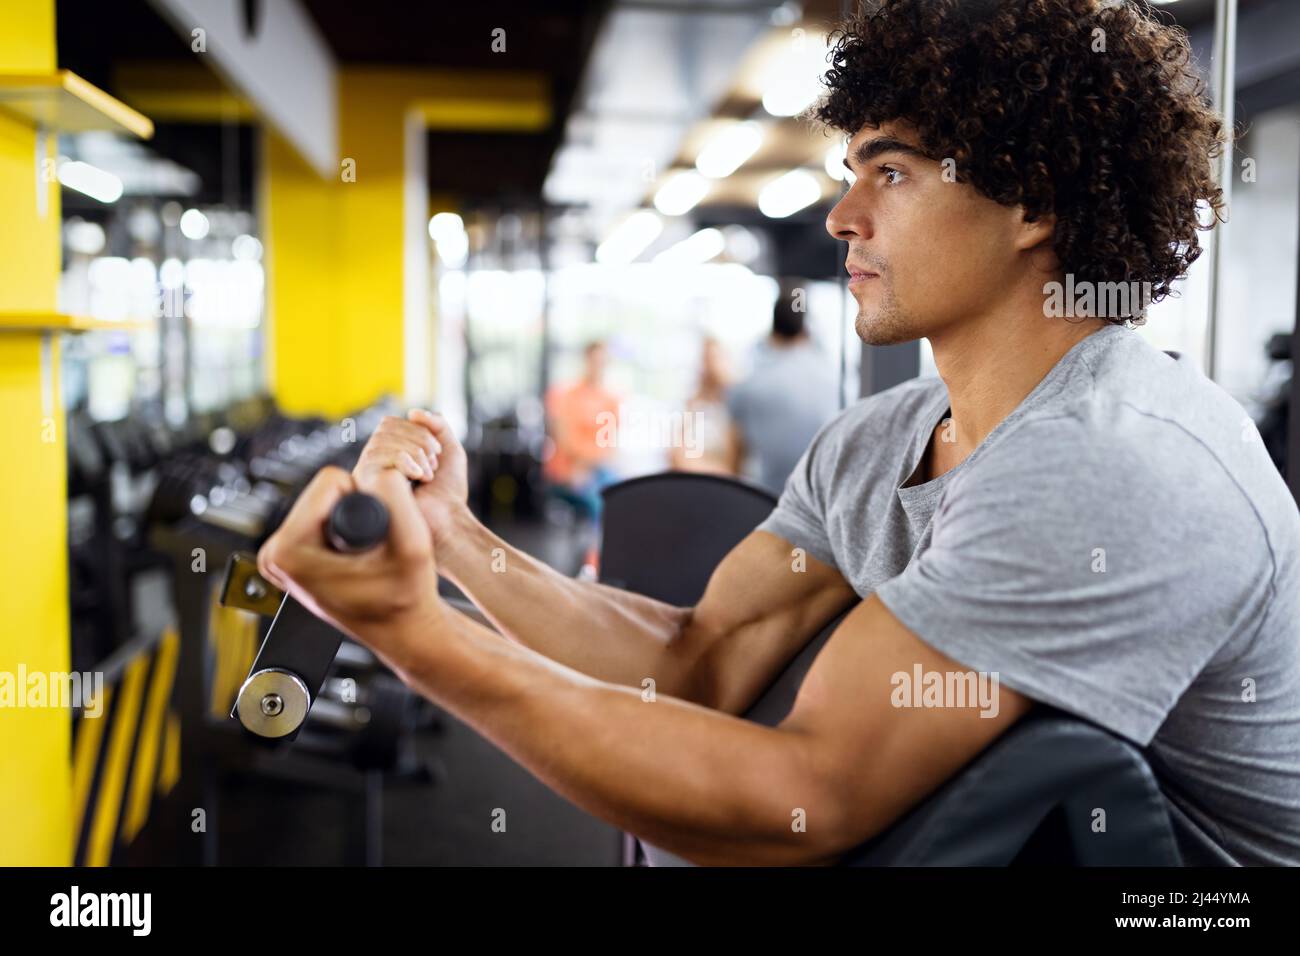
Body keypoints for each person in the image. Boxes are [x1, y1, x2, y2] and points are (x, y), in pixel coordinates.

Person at [255, 0, 1300, 866]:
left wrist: (415, 635)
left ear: (1029, 201)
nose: (844, 215)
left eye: (888, 173)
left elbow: (803, 794)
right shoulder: (874, 440)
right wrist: (450, 542)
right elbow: (695, 659)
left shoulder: (1113, 460)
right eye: (848, 173)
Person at [726, 285, 840, 493]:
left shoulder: (747, 387)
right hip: (824, 499)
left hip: (769, 501)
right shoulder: (836, 379)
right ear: (806, 330)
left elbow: (735, 463)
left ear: (772, 330)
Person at [542, 340, 620, 523]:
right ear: (586, 360)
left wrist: (591, 463)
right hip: (568, 469)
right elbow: (564, 441)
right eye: (595, 360)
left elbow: (609, 446)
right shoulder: (565, 395)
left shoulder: (611, 400)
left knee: (623, 495)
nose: (598, 366)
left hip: (597, 469)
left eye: (602, 361)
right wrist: (582, 465)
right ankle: (596, 549)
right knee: (597, 502)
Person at [669, 337, 741, 477]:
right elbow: (676, 452)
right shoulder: (692, 403)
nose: (710, 365)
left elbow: (735, 462)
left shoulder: (736, 403)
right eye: (705, 359)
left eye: (715, 358)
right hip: (692, 478)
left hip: (722, 481)